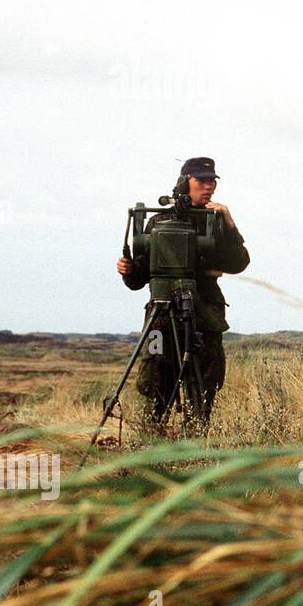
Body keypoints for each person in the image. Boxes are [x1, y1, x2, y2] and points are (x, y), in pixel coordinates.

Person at [115, 157, 250, 435]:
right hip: (161, 317)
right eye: (202, 180)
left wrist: (229, 222)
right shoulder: (158, 222)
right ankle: (152, 438)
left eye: (212, 180)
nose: (208, 186)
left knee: (205, 380)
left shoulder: (215, 220)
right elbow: (137, 281)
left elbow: (239, 263)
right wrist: (127, 270)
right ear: (185, 181)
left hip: (204, 316)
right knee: (155, 375)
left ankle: (196, 440)